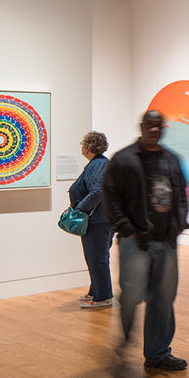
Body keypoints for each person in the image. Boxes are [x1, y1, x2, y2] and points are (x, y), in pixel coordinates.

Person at [102, 110, 189, 371]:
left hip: (166, 241)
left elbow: (181, 195)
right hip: (135, 241)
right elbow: (110, 196)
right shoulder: (123, 159)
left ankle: (157, 353)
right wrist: (125, 227)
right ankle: (125, 338)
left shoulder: (171, 159)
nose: (154, 130)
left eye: (158, 125)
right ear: (141, 127)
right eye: (149, 125)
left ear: (163, 128)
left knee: (163, 298)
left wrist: (179, 223)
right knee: (131, 295)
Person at [70, 131, 113, 309]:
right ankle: (96, 290)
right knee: (95, 256)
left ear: (88, 147)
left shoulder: (97, 165)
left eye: (82, 144)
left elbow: (97, 191)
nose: (81, 147)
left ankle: (103, 296)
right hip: (100, 219)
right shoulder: (100, 164)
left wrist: (79, 210)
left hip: (98, 221)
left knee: (97, 257)